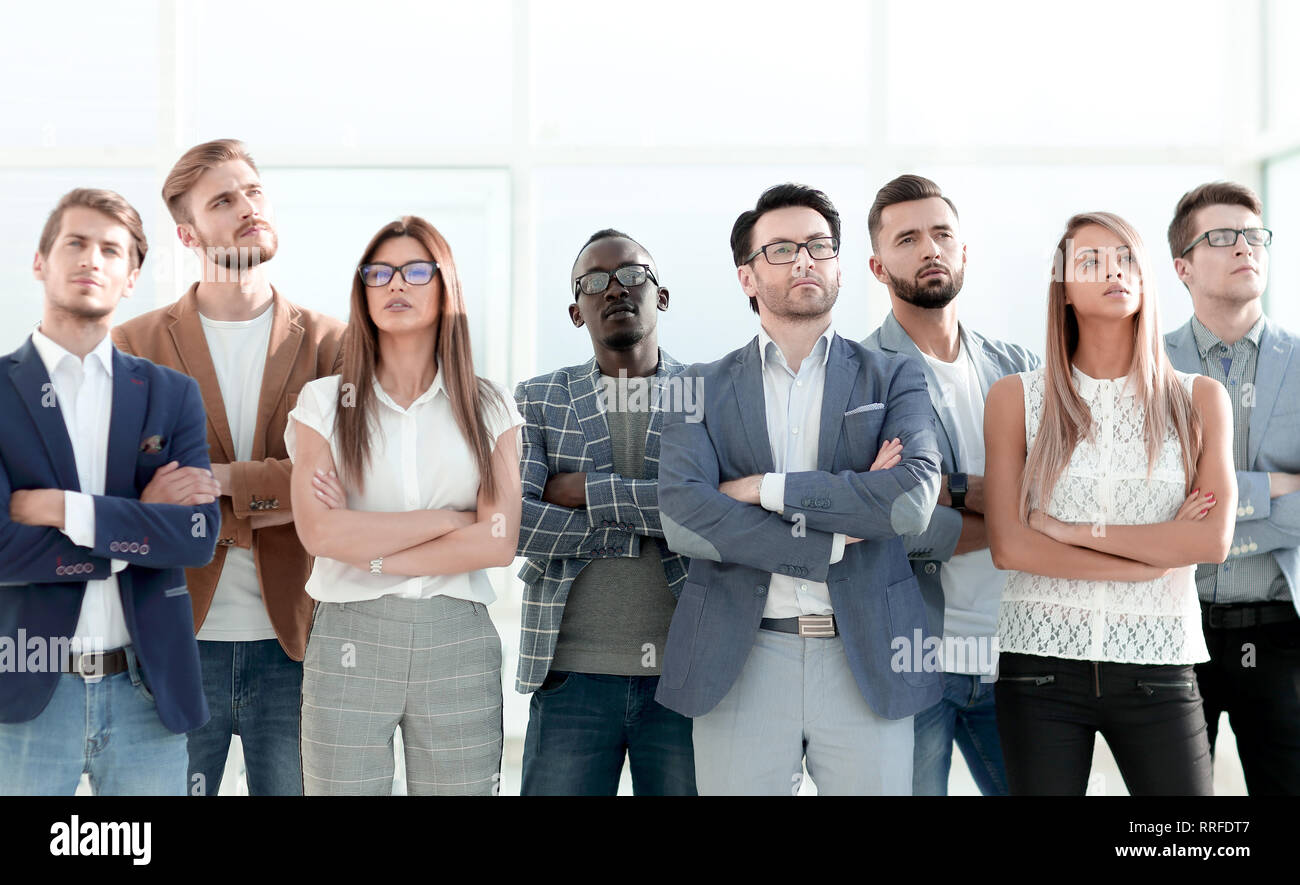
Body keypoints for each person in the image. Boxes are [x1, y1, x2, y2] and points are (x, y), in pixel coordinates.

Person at [656, 183, 942, 795]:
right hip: (742, 657)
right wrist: (832, 533)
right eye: (782, 249)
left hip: (866, 653)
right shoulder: (695, 386)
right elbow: (684, 517)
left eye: (819, 245)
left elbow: (911, 502)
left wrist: (766, 488)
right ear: (747, 277)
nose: (805, 260)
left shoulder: (894, 374)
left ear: (839, 264)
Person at [112, 139, 346, 796]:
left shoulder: (334, 345)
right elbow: (130, 498)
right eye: (223, 200)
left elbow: (340, 486)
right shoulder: (135, 348)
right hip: (174, 643)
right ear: (188, 232)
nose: (247, 207)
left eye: (252, 190)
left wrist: (216, 483)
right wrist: (279, 489)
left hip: (296, 646)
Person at [984, 210, 1235, 795]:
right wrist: (1153, 558)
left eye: (1126, 259)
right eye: (1090, 261)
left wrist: (1070, 531)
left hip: (1160, 666)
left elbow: (1208, 541)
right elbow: (1009, 546)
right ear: (1063, 288)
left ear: (1146, 278)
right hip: (1039, 668)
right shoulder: (1015, 398)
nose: (1113, 271)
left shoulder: (1199, 400)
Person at [286, 216, 522, 796]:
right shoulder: (323, 404)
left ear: (445, 288)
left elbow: (496, 541)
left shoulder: (489, 406)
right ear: (362, 291)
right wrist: (449, 520)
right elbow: (319, 533)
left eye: (417, 271)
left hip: (457, 639)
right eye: (380, 272)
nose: (397, 284)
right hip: (350, 638)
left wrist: (368, 548)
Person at [0, 188, 220, 794]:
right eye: (75, 243)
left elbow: (197, 538)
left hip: (147, 698)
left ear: (131, 278)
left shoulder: (171, 395)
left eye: (110, 250)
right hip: (28, 695)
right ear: (41, 261)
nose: (91, 260)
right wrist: (139, 524)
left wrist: (63, 509)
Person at [861, 174, 1039, 796]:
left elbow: (1057, 492)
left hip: (1020, 657)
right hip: (914, 659)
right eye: (907, 239)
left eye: (942, 234)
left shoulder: (1023, 368)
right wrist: (1011, 517)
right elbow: (883, 522)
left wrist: (946, 488)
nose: (930, 248)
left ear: (965, 251)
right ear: (879, 267)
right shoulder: (857, 377)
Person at [514, 228, 695, 795]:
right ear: (576, 311)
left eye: (632, 275)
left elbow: (707, 520)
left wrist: (590, 491)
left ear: (660, 294)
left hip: (682, 678)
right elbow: (517, 524)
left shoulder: (707, 396)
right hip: (570, 678)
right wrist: (642, 522)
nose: (615, 289)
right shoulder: (537, 399)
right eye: (595, 282)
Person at [1164, 181, 1300, 795]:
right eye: (1221, 236)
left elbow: (1179, 513)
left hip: (1281, 634)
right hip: (1169, 629)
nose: (1244, 246)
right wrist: (1274, 488)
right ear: (1182, 266)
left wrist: (1205, 526)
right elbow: (1146, 504)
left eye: (1253, 235)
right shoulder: (1146, 368)